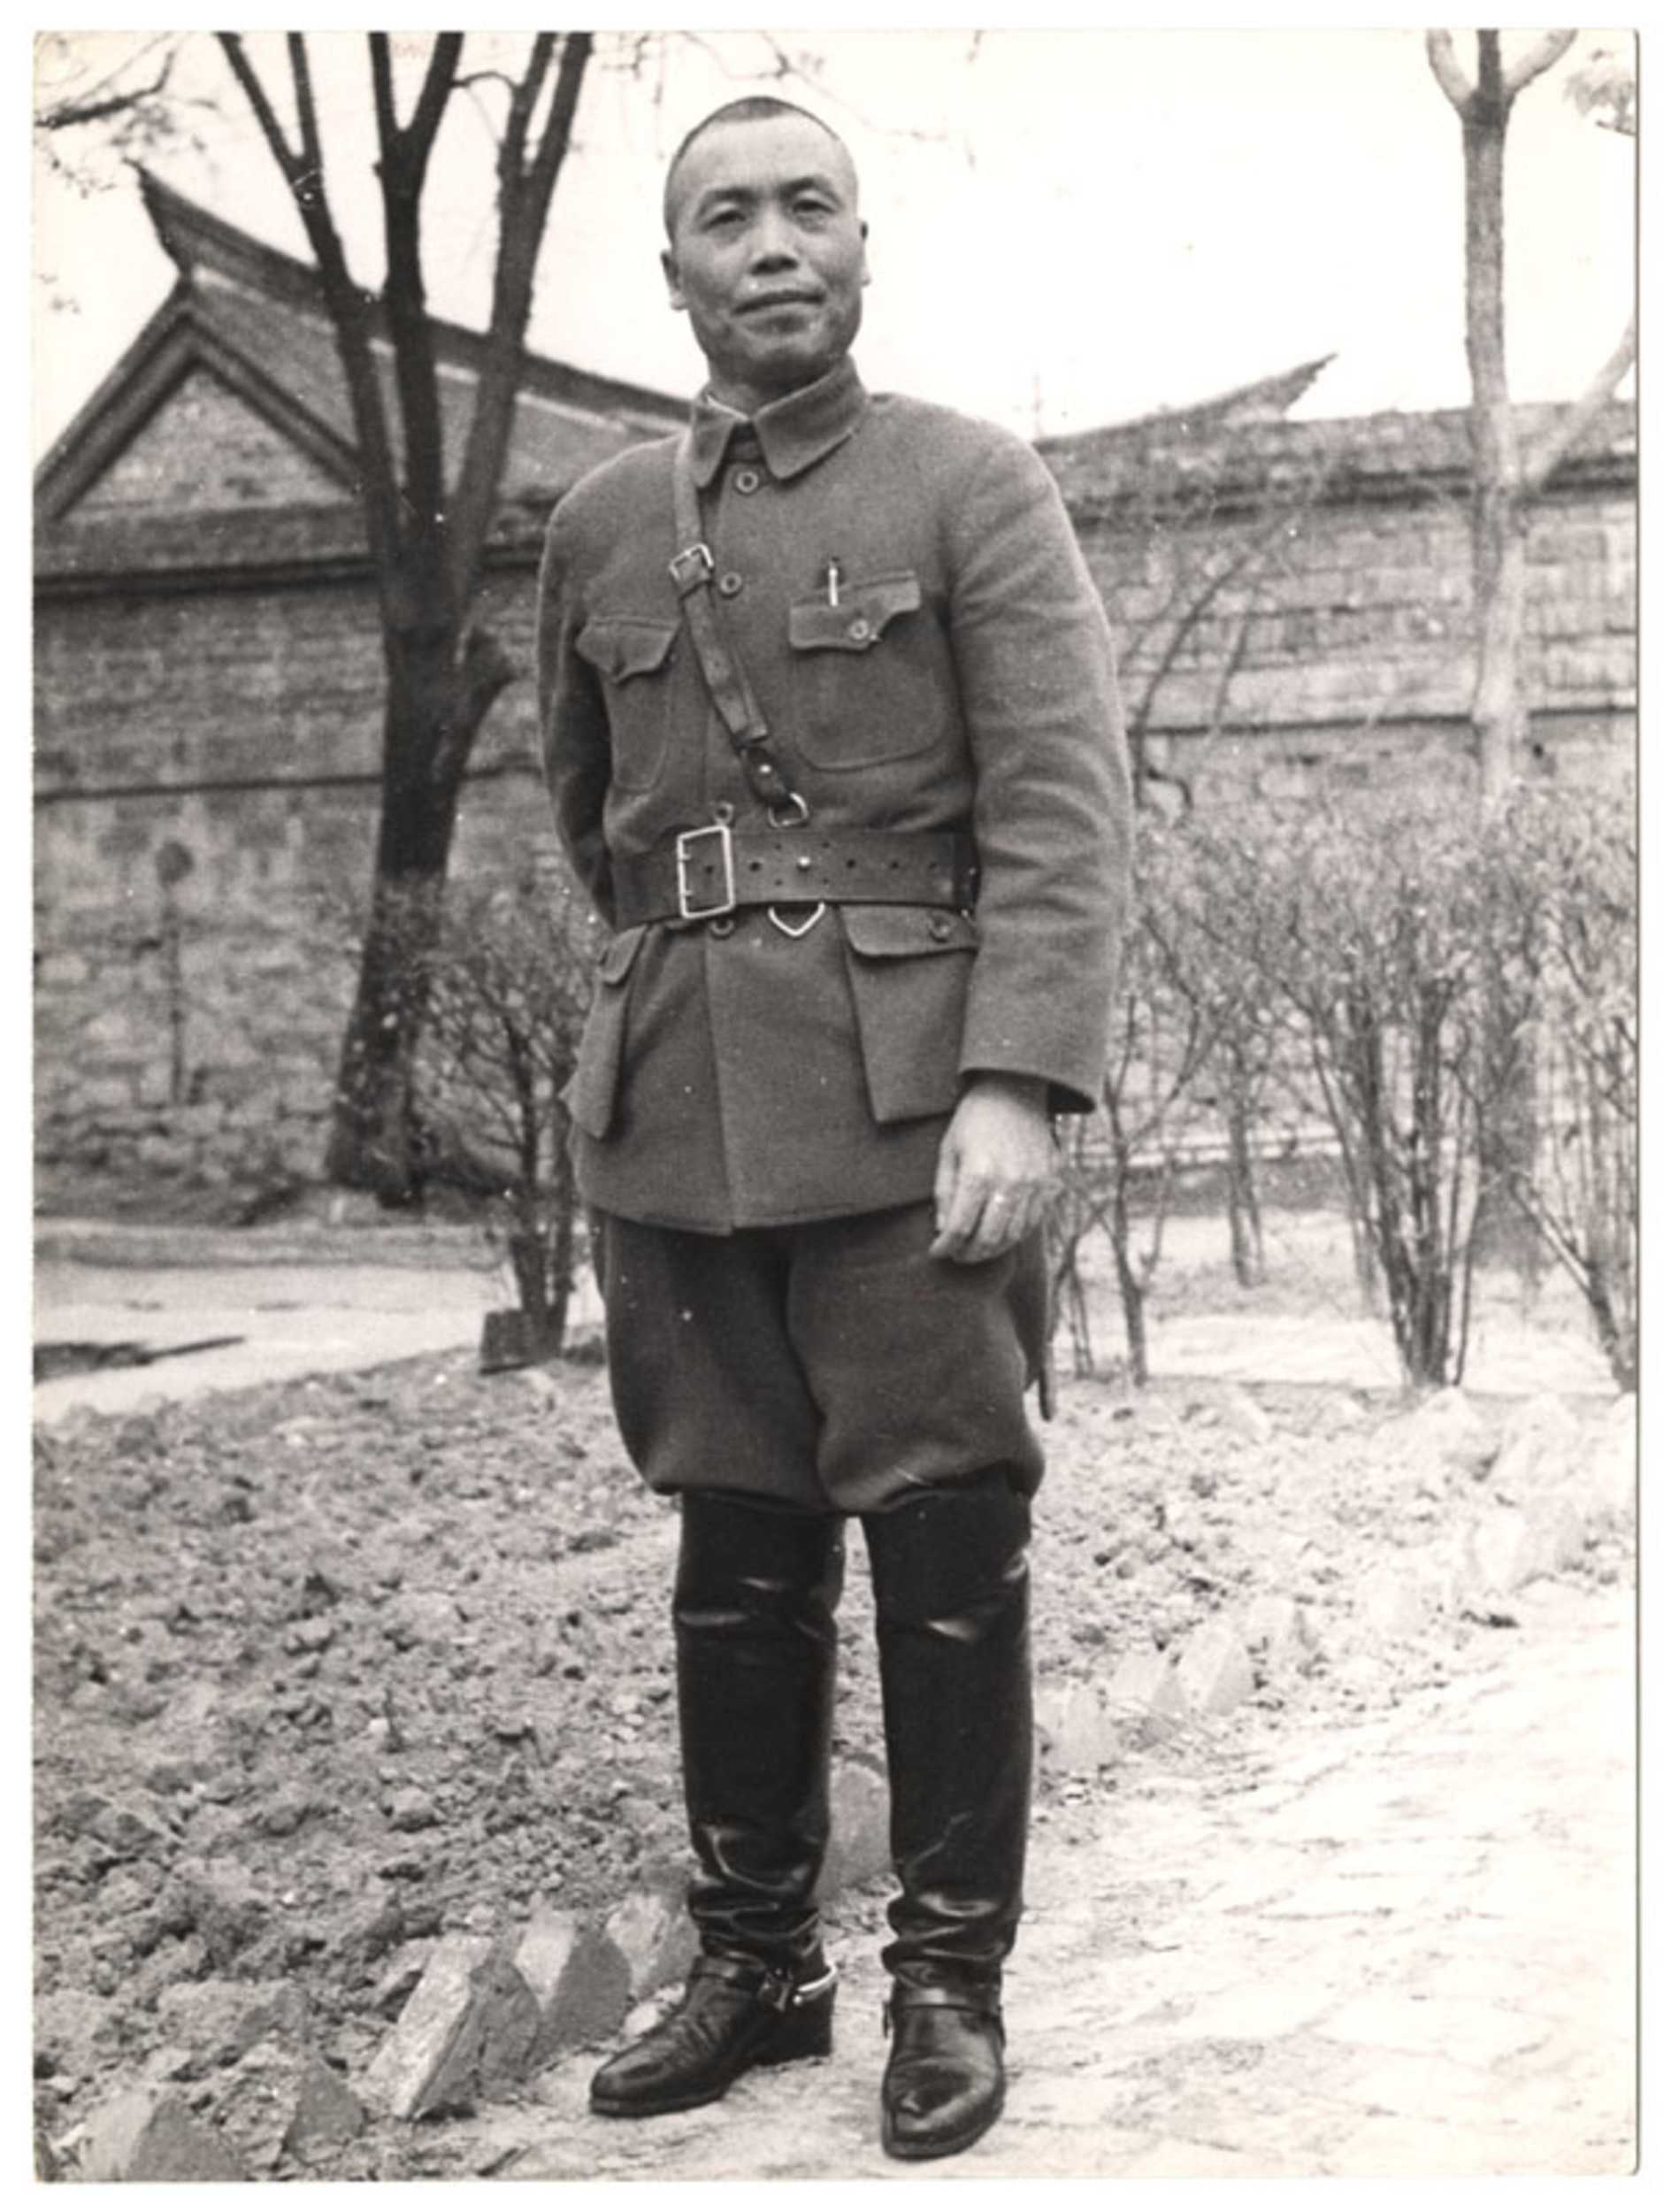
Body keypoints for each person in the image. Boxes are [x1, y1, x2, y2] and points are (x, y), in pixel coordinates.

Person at [534, 95, 1131, 2162]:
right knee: (733, 1545)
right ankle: (756, 1958)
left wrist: (1013, 1077)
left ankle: (948, 1980)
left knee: (945, 1539)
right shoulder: (603, 520)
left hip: (906, 1109)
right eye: (726, 215)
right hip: (674, 1107)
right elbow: (592, 816)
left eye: (807, 207)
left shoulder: (968, 483)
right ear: (674, 271)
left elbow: (1060, 807)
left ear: (862, 249)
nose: (769, 241)